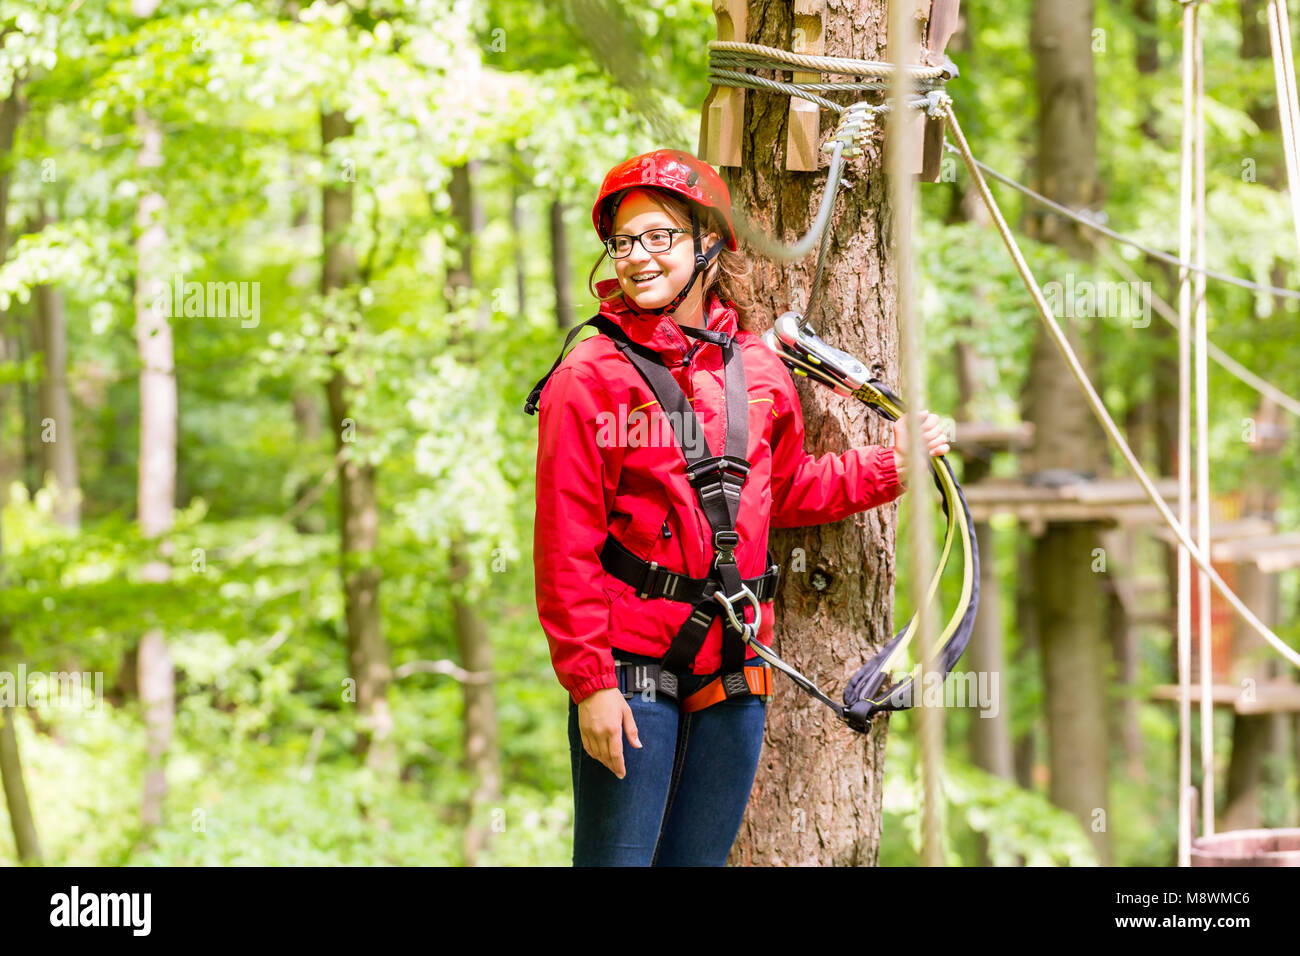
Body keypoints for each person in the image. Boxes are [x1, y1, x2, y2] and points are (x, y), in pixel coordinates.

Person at [531, 149, 949, 867]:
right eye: (624, 242)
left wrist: (891, 468)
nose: (637, 257)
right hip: (630, 664)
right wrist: (591, 685)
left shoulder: (755, 368)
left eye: (658, 236)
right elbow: (565, 545)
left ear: (707, 242)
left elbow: (779, 493)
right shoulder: (589, 377)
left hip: (732, 663)